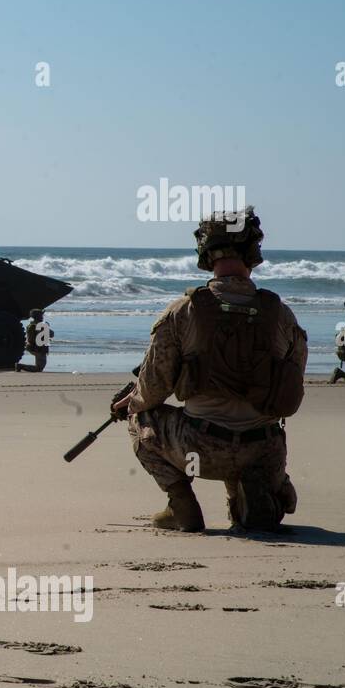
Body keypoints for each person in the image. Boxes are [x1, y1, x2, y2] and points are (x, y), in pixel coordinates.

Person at [112, 206, 306, 534]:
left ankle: (181, 505)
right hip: (264, 450)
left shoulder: (183, 312)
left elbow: (153, 388)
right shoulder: (282, 315)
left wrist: (130, 403)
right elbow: (292, 387)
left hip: (201, 450)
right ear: (253, 251)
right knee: (257, 488)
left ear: (204, 252)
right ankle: (260, 492)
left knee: (140, 419)